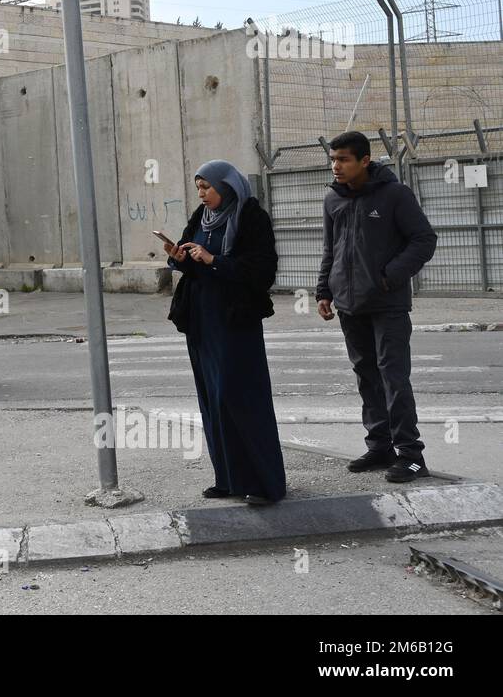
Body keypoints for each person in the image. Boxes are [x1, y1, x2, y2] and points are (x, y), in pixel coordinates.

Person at [315, 131, 437, 483]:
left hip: (387, 303)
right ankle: (380, 446)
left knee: (393, 377)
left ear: (364, 161)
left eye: (343, 159)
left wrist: (389, 277)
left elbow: (424, 239)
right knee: (367, 376)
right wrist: (324, 291)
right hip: (349, 305)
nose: (335, 166)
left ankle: (412, 456)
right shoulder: (333, 200)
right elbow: (330, 250)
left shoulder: (394, 195)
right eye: (333, 159)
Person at [165, 159, 286, 505]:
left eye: (207, 187)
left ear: (228, 187)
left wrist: (214, 260)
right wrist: (179, 256)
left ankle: (264, 483)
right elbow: (189, 260)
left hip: (235, 319)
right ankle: (229, 479)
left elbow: (262, 271)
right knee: (213, 399)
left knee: (242, 397)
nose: (201, 194)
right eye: (198, 187)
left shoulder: (250, 217)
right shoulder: (200, 218)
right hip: (202, 319)